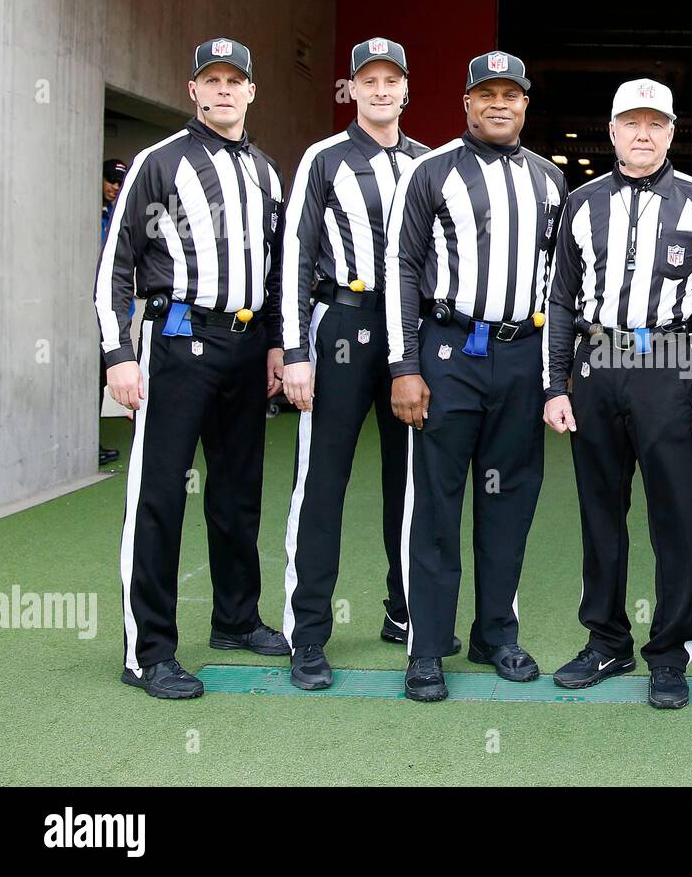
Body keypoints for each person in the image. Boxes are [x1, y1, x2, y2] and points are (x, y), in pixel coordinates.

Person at [94, 37, 289, 699]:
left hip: (242, 346)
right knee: (160, 497)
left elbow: (272, 271)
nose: (225, 89)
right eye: (213, 79)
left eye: (236, 79)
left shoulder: (266, 171)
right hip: (175, 341)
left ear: (252, 91)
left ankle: (236, 618)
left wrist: (273, 342)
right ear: (194, 90)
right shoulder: (158, 162)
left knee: (237, 492)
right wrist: (118, 354)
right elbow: (114, 267)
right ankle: (147, 651)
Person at [542, 79, 692, 710]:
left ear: (672, 132)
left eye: (656, 124)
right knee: (601, 511)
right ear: (613, 130)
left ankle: (670, 653)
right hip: (598, 358)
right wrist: (555, 382)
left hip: (670, 359)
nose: (643, 134)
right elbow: (562, 298)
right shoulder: (581, 201)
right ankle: (606, 639)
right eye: (632, 123)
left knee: (675, 515)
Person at [385, 50, 565, 703]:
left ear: (525, 103)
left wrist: (556, 374)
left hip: (521, 354)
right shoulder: (429, 171)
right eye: (485, 93)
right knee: (435, 502)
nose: (497, 103)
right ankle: (427, 647)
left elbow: (563, 282)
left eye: (509, 94)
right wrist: (404, 364)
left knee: (510, 498)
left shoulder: (551, 180)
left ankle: (496, 632)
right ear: (465, 101)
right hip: (449, 351)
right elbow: (401, 267)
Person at [278, 37, 438, 691]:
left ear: (406, 89)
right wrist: (294, 352)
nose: (379, 89)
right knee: (323, 482)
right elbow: (293, 255)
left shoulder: (432, 163)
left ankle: (405, 614)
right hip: (341, 322)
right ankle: (308, 632)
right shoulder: (323, 158)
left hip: (411, 334)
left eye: (390, 79)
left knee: (412, 481)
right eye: (366, 79)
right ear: (350, 88)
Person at [99, 159, 129, 466]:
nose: (115, 187)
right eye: (110, 180)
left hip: (115, 312)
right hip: (91, 308)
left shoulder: (117, 212)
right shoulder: (92, 210)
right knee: (94, 378)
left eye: (119, 183)